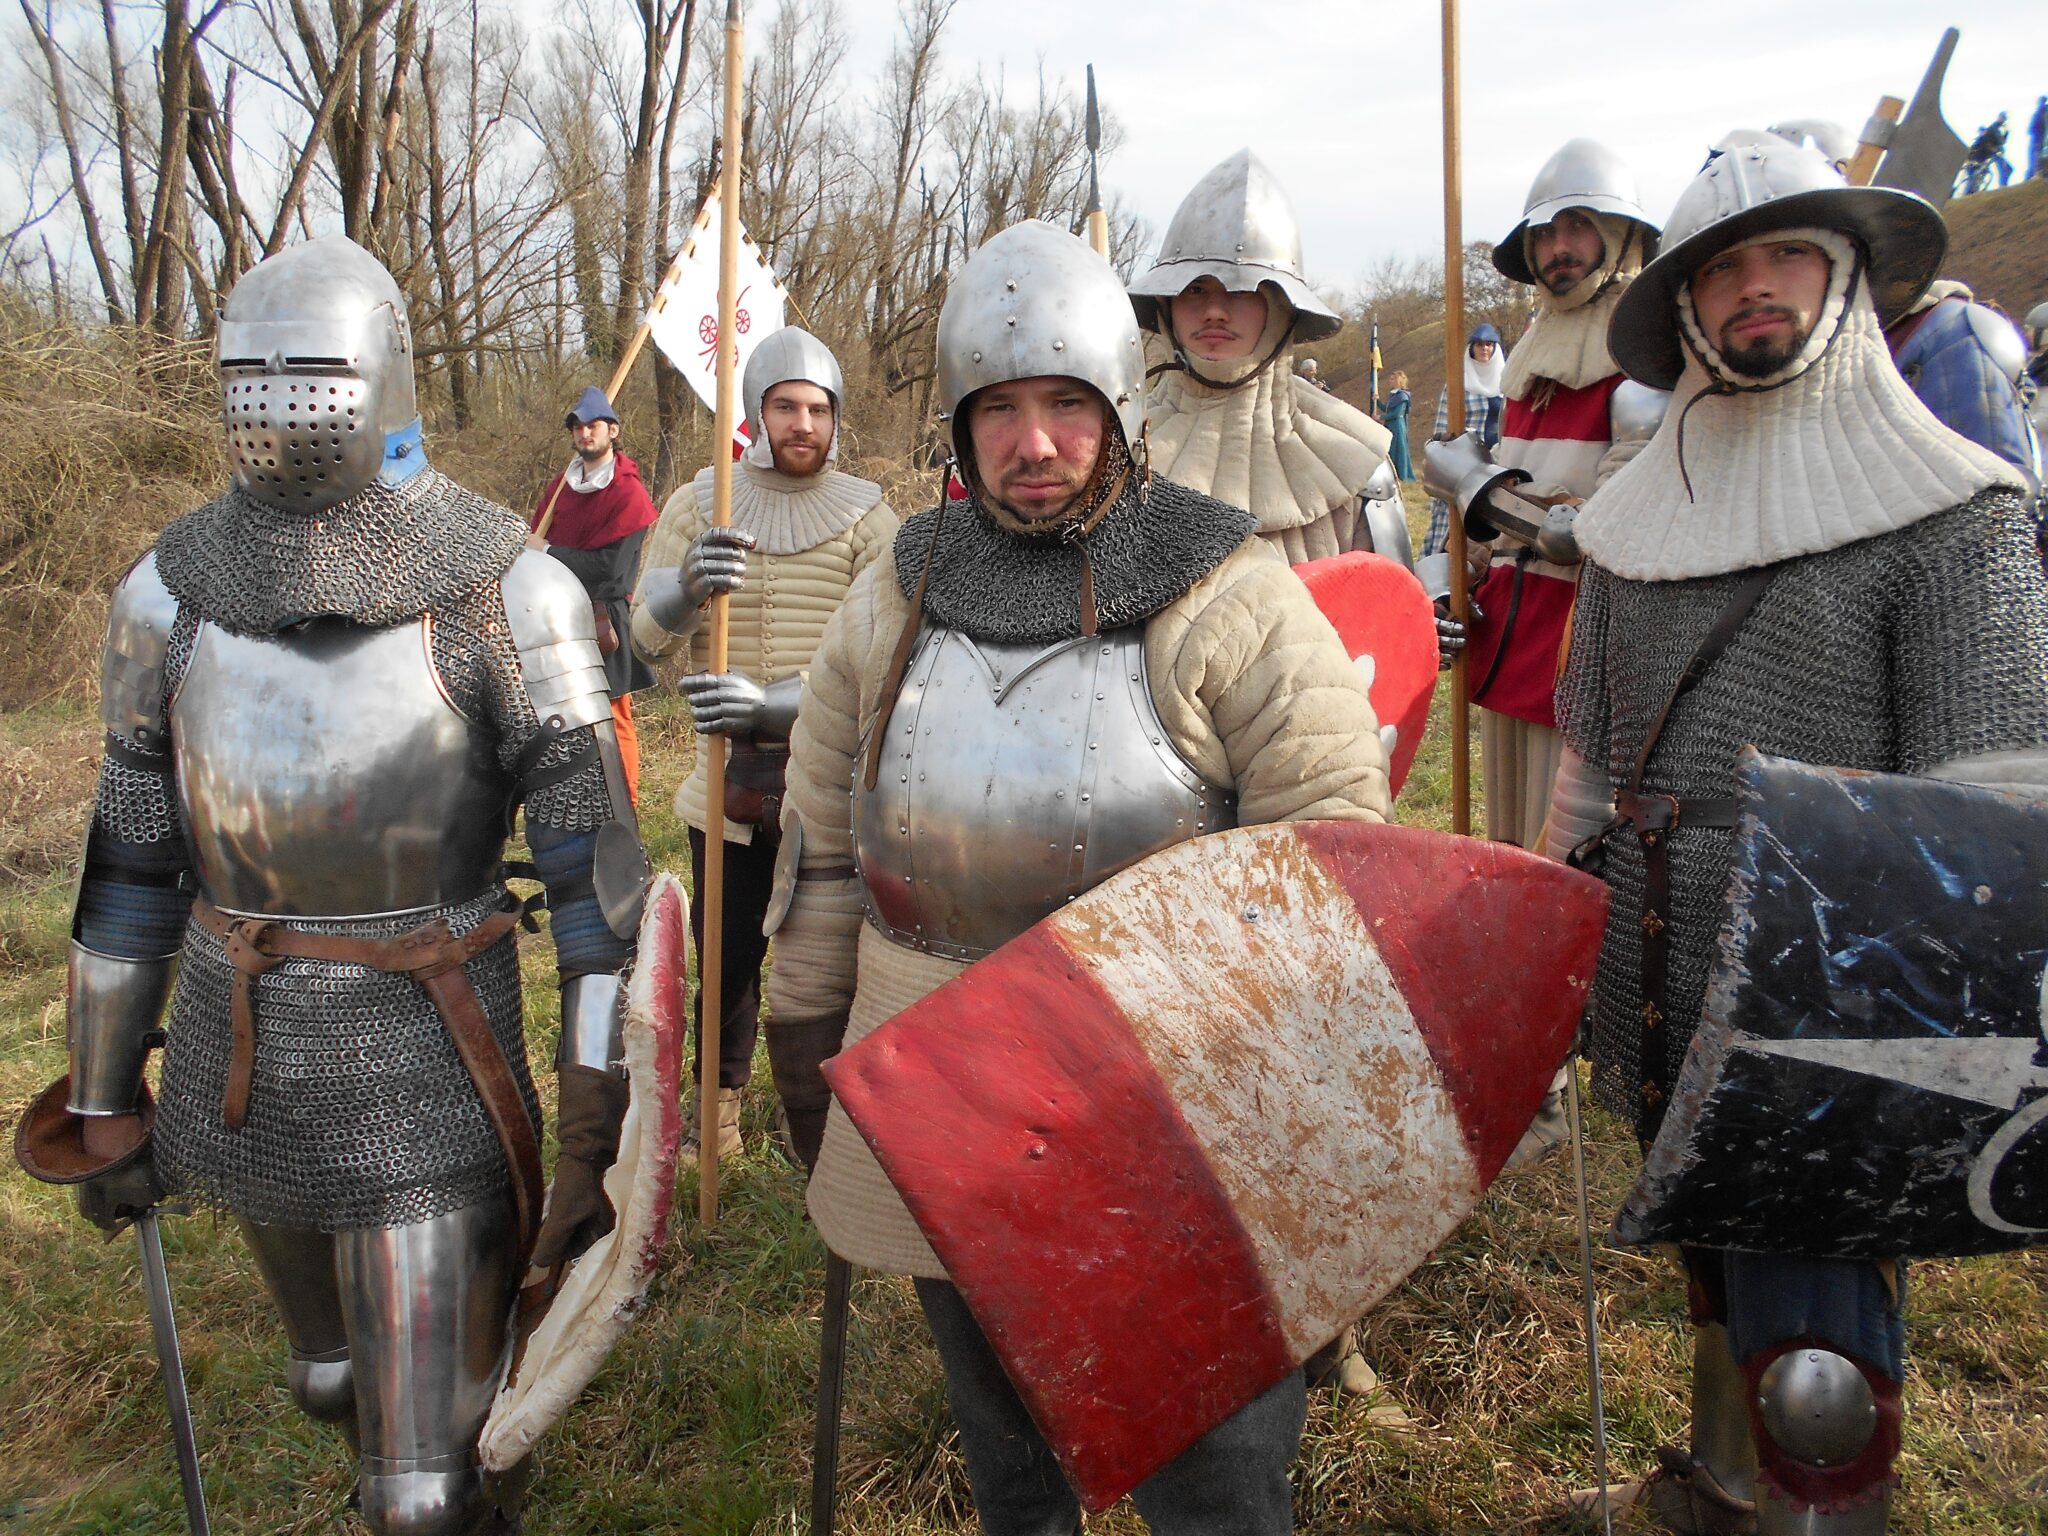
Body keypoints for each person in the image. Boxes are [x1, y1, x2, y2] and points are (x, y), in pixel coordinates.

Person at [14, 237, 647, 1535]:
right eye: (254, 379)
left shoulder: (503, 591)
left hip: (427, 1060)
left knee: (420, 1486)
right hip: (245, 1048)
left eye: (307, 379)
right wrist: (99, 1095)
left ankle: (467, 1482)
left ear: (381, 378)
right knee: (325, 1380)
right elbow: (130, 863)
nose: (281, 410)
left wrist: (598, 1120)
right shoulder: (170, 598)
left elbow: (597, 884)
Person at [767, 219, 1389, 1535]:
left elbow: (1338, 871)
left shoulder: (1231, 596)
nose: (1034, 443)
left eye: (1066, 404)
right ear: (958, 422)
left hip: (1171, 1113)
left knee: (1210, 1477)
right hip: (942, 1088)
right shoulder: (894, 598)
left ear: (1119, 409)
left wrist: (1284, 1135)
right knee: (1012, 1462)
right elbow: (824, 851)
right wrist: (805, 1037)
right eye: (1000, 409)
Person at [1545, 133, 2048, 1533]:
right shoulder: (1630, 529)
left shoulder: (1951, 512)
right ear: (1690, 307)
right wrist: (1547, 960)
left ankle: (1816, 1510)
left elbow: (2000, 813)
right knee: (1719, 1282)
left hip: (1843, 1003)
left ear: (1842, 281)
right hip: (1660, 964)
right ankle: (1722, 1488)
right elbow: (1585, 786)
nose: (1753, 287)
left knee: (1817, 1358)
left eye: (1786, 256)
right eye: (1723, 269)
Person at [1440, 137, 1665, 1165]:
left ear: (1620, 239)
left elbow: (1596, 530)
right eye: (1544, 233)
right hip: (1515, 640)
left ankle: (1548, 1077)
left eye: (1577, 228)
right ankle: (1514, 1054)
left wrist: (1476, 491)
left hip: (1588, 647)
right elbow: (1520, 519)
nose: (1559, 248)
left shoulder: (1641, 369)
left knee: (1556, 873)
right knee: (1501, 861)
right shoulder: (1533, 358)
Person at [629, 327, 898, 1166]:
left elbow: (889, 654)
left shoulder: (869, 515)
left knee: (835, 964)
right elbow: (644, 640)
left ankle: (836, 1127)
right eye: (786, 405)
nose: (804, 423)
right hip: (725, 779)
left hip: (833, 776)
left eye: (818, 408)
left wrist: (776, 703)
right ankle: (719, 1133)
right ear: (755, 412)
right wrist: (683, 589)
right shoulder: (698, 503)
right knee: (731, 959)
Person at [1127, 148, 1400, 567]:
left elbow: (1388, 614)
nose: (1214, 310)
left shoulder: (1357, 468)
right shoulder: (1118, 451)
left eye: (1241, 290)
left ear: (1282, 310)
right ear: (1165, 305)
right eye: (1194, 289)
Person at [530, 386, 660, 803]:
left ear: (613, 431)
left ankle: (628, 805)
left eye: (593, 426)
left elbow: (610, 571)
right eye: (578, 427)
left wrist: (549, 552)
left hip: (605, 617)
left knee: (614, 713)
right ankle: (583, 800)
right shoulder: (561, 489)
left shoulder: (628, 494)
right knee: (564, 712)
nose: (585, 434)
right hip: (558, 614)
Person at [1422, 323, 1508, 554]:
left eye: (1489, 344)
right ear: (1471, 349)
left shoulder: (1508, 384)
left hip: (1500, 466)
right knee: (1453, 529)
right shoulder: (1458, 386)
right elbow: (1441, 433)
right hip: (1466, 467)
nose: (1484, 349)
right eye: (1479, 345)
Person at [1382, 369, 1415, 479]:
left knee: (1399, 449)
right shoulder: (1393, 395)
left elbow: (1396, 413)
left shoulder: (1402, 396)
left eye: (1393, 378)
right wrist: (1376, 401)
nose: (1390, 381)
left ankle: (1402, 475)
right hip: (1390, 425)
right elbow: (1387, 409)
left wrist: (1380, 417)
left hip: (1398, 426)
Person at [2027, 96, 2047, 181]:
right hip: (2042, 139)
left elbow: (2030, 129)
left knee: (2034, 158)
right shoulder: (2045, 112)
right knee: (2039, 157)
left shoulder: (2038, 112)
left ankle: (2032, 177)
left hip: (2036, 139)